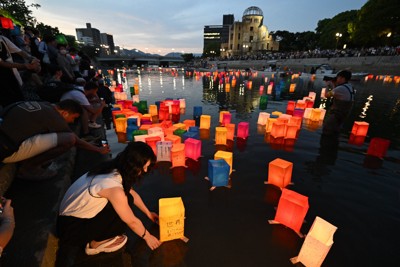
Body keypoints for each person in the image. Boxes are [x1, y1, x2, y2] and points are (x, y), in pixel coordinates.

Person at [56, 142, 161, 265]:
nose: (144, 171)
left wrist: (148, 213)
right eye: (143, 167)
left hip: (67, 220)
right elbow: (131, 221)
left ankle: (98, 237)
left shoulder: (113, 169)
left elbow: (131, 193)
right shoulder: (113, 187)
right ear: (134, 165)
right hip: (71, 230)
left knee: (126, 199)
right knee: (123, 213)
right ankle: (96, 244)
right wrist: (148, 237)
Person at [0, 100, 110, 180]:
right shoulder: (54, 116)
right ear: (65, 113)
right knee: (69, 139)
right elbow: (75, 140)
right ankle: (29, 169)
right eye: (73, 118)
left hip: (5, 140)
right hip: (6, 151)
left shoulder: (44, 105)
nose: (72, 122)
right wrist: (98, 150)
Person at [0, 31, 41, 107]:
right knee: (9, 104)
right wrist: (25, 66)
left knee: (19, 100)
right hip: (2, 80)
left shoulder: (3, 39)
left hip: (13, 75)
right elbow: (2, 63)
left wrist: (32, 59)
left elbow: (20, 51)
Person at [322, 70, 355, 136]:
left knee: (327, 130)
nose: (336, 79)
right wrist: (334, 85)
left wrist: (328, 86)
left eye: (338, 77)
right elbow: (336, 92)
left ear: (342, 78)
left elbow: (326, 95)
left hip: (337, 114)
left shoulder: (340, 88)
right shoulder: (349, 87)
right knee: (335, 131)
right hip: (344, 114)